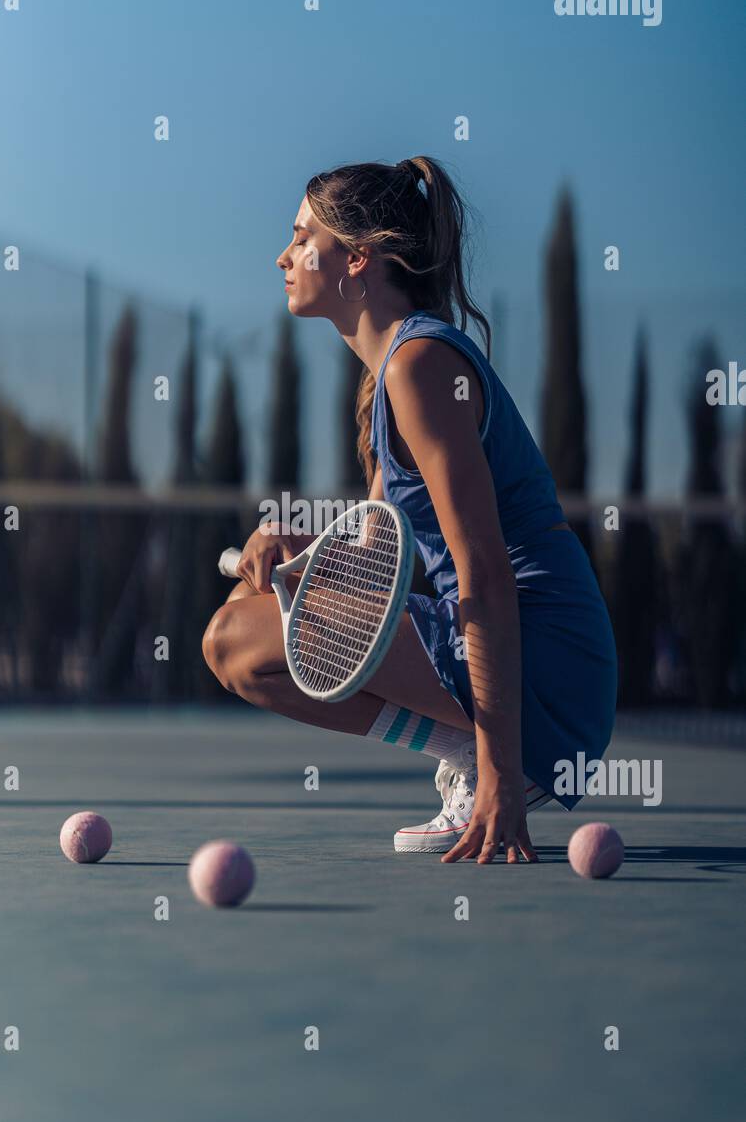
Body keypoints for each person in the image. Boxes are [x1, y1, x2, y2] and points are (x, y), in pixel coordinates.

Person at [202, 157, 617, 865]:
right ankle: (470, 745)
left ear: (357, 259)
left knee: (237, 633)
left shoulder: (418, 366)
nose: (283, 255)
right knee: (238, 636)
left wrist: (500, 779)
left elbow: (481, 567)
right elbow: (373, 555)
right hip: (524, 656)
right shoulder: (391, 375)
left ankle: (499, 760)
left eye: (304, 238)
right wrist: (286, 548)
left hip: (549, 662)